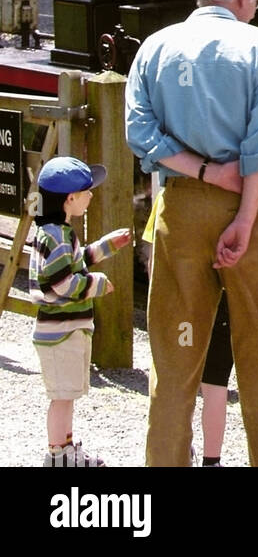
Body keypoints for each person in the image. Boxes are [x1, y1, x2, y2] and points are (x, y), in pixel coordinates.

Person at [125, 0, 258, 468]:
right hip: (246, 208)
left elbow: (139, 131)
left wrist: (200, 170)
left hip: (180, 208)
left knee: (174, 362)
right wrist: (243, 218)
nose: (257, 6)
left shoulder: (155, 46)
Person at [29, 156, 131, 467]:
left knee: (67, 395)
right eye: (87, 192)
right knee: (62, 397)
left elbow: (76, 261)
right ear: (70, 199)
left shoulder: (56, 232)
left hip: (63, 331)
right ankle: (58, 456)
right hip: (62, 332)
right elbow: (63, 283)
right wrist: (95, 284)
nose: (91, 196)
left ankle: (66, 450)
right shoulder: (58, 237)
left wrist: (106, 246)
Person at [142, 193, 233, 467]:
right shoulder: (231, 198)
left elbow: (151, 254)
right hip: (223, 300)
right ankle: (212, 460)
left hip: (183, 300)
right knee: (216, 385)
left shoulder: (168, 195)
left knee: (177, 381)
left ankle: (177, 451)